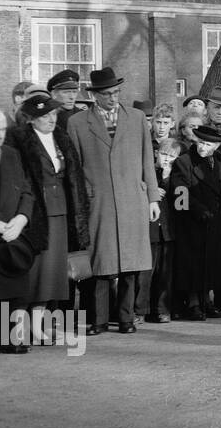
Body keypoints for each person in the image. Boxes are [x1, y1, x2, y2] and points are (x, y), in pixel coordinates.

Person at [66, 67, 161, 335]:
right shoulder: (77, 123)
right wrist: (81, 203)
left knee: (130, 263)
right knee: (100, 264)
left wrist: (153, 198)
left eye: (116, 92)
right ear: (94, 94)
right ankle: (97, 320)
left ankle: (126, 319)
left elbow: (147, 162)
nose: (112, 98)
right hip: (99, 202)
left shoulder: (137, 118)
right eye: (106, 94)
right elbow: (75, 168)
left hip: (132, 198)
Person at [14, 95, 91, 344]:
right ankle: (23, 327)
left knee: (53, 275)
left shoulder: (61, 137)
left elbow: (74, 175)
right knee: (36, 273)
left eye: (53, 114)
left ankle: (39, 325)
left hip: (61, 212)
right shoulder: (20, 139)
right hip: (36, 214)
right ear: (32, 118)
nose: (50, 119)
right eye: (44, 116)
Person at [0, 106, 37, 354]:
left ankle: (10, 339)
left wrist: (22, 219)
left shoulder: (12, 154)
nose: (0, 135)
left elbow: (27, 190)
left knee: (14, 289)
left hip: (12, 234)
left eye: (3, 129)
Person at [169, 124, 221, 320]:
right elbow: (179, 195)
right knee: (192, 264)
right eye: (200, 142)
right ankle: (193, 303)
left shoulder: (218, 160)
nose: (203, 147)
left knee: (211, 262)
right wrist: (198, 210)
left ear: (217, 146)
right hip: (191, 223)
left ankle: (206, 301)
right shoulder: (183, 162)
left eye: (208, 144)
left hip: (214, 221)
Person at [150, 137, 182, 322]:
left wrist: (167, 179)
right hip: (151, 228)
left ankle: (163, 309)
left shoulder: (176, 176)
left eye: (172, 156)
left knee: (165, 273)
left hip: (169, 229)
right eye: (163, 154)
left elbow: (181, 202)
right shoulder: (149, 173)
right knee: (148, 271)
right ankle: (143, 309)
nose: (166, 159)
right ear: (156, 153)